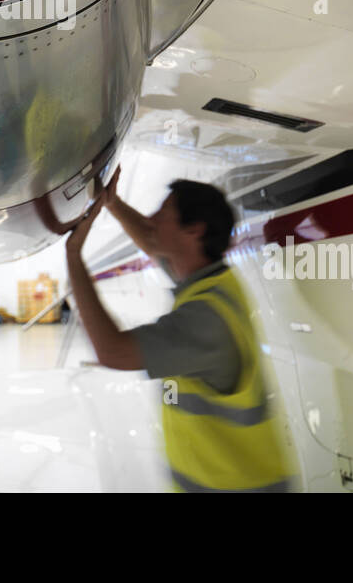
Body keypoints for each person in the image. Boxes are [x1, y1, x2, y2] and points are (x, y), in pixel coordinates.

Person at [63, 167, 296, 492]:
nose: (153, 218)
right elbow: (151, 239)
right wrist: (113, 203)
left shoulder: (206, 319)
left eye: (165, 212)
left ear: (194, 231)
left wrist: (73, 255)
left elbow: (112, 351)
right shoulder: (209, 280)